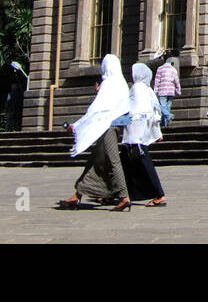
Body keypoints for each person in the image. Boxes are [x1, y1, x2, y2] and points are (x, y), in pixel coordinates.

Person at [58, 54, 133, 212]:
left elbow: (95, 111)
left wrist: (77, 126)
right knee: (95, 160)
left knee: (113, 161)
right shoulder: (121, 83)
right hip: (116, 125)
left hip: (107, 127)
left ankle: (124, 197)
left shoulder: (109, 84)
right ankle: (77, 196)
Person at [119, 63, 167, 207]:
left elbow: (132, 111)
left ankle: (159, 195)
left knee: (144, 164)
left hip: (135, 135)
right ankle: (119, 194)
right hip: (141, 134)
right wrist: (157, 132)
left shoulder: (137, 88)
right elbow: (154, 112)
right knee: (125, 164)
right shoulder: (148, 90)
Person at [153, 56, 180, 127]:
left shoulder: (160, 69)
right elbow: (176, 81)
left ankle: (169, 116)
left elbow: (157, 81)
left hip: (162, 91)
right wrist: (178, 90)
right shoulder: (173, 69)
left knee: (161, 107)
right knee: (167, 107)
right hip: (171, 91)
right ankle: (164, 124)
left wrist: (155, 91)